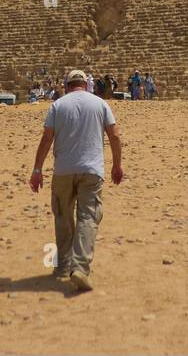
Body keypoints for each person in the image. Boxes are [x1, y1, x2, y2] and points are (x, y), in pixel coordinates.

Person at [28, 69, 123, 293]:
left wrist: (37, 169)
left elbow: (46, 139)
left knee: (63, 216)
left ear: (67, 85)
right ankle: (80, 267)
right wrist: (117, 165)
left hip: (63, 171)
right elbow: (115, 136)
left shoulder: (57, 106)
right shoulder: (100, 104)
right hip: (92, 170)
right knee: (88, 218)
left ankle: (63, 266)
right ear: (86, 84)